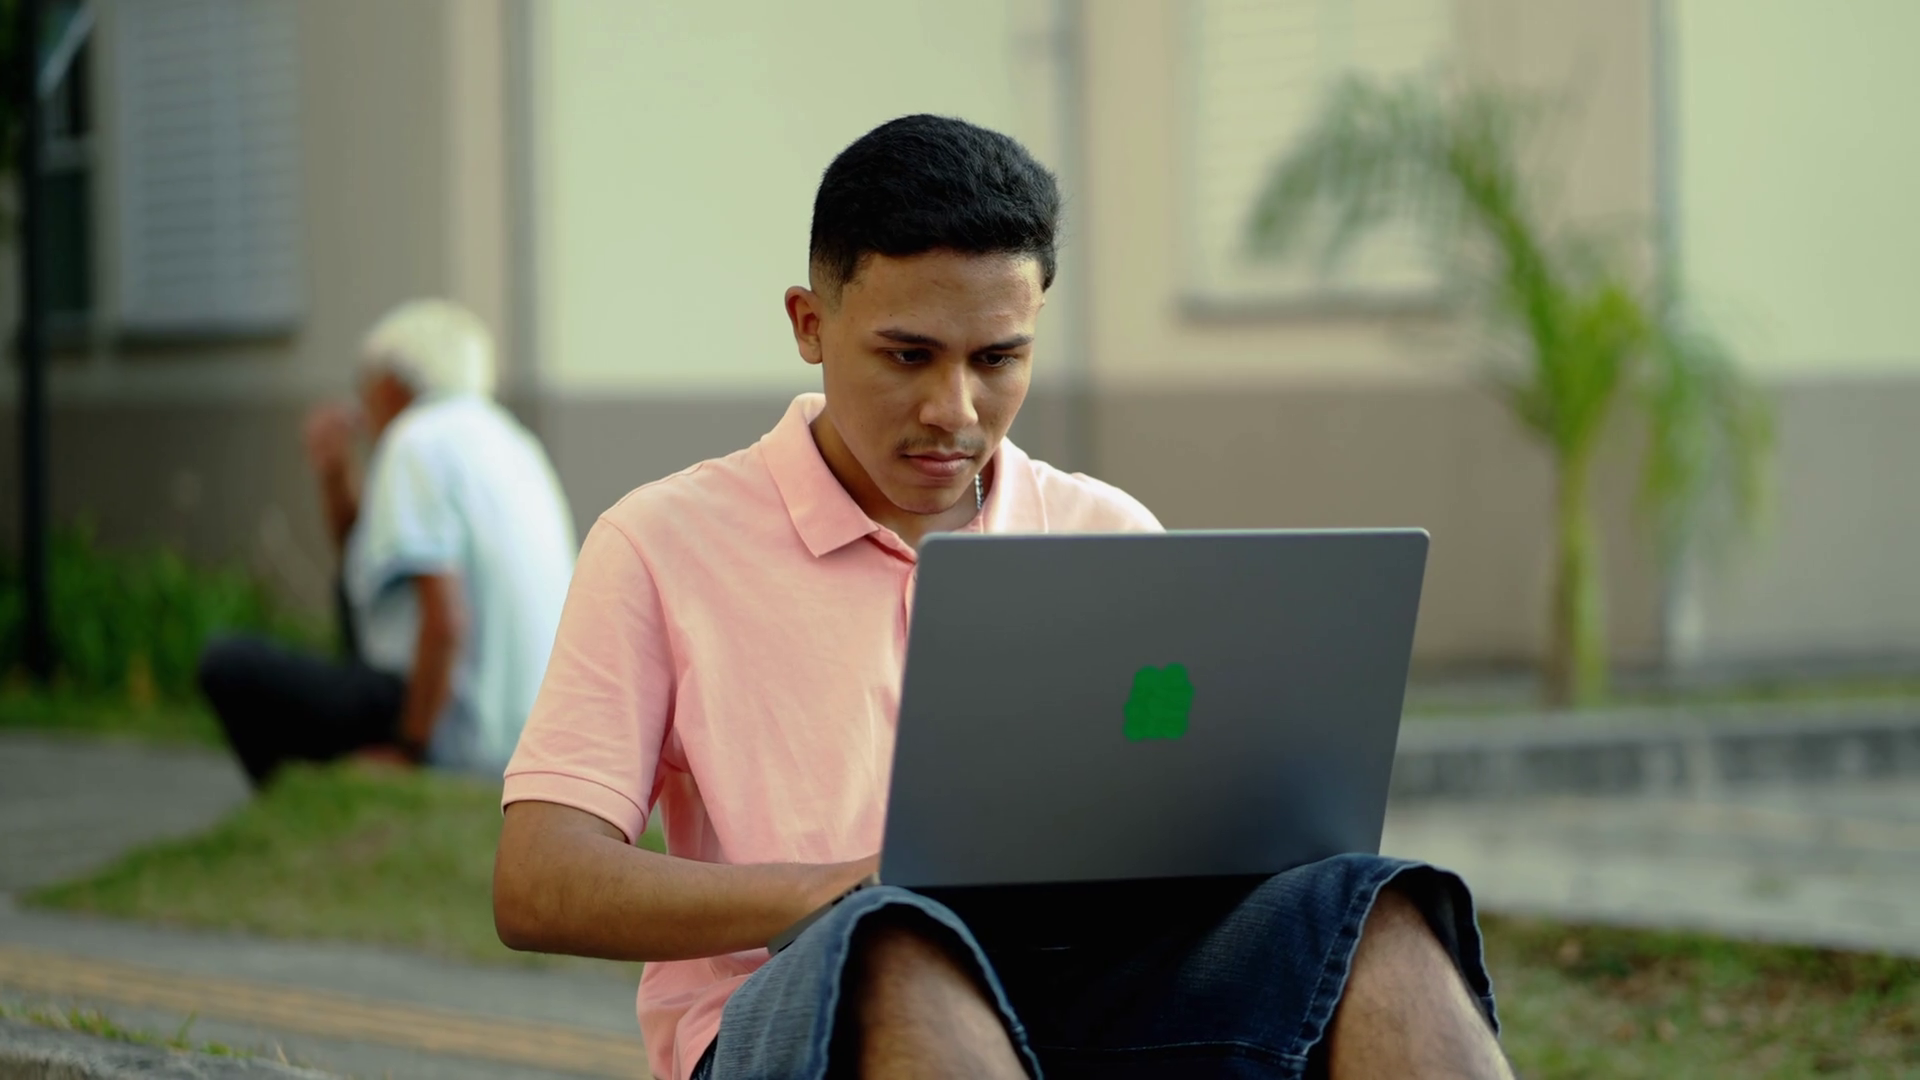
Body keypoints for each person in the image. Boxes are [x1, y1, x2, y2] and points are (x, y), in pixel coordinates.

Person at [492, 116, 1511, 1080]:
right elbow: (540, 879)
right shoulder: (662, 543)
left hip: (1093, 1002)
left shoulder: (1107, 534)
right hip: (802, 1020)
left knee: (1372, 908)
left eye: (998, 359)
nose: (954, 411)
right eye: (908, 356)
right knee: (895, 939)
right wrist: (839, 888)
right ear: (810, 324)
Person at [199, 299, 577, 785]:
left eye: (365, 385)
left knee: (229, 665)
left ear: (394, 384)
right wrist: (336, 475)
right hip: (527, 734)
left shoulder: (416, 440)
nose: (360, 404)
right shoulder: (513, 441)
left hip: (458, 733)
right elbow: (366, 563)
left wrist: (410, 750)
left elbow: (446, 618)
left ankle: (295, 800)